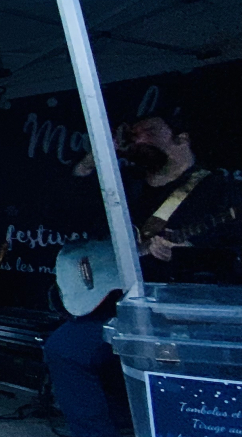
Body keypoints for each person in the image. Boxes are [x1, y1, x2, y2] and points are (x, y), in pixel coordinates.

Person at [45, 113, 242, 437]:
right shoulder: (126, 187)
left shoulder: (219, 189)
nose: (138, 139)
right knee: (64, 348)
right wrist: (91, 162)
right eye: (133, 134)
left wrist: (191, 252)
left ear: (182, 139)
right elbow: (62, 213)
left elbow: (233, 253)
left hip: (184, 313)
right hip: (121, 303)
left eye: (149, 132)